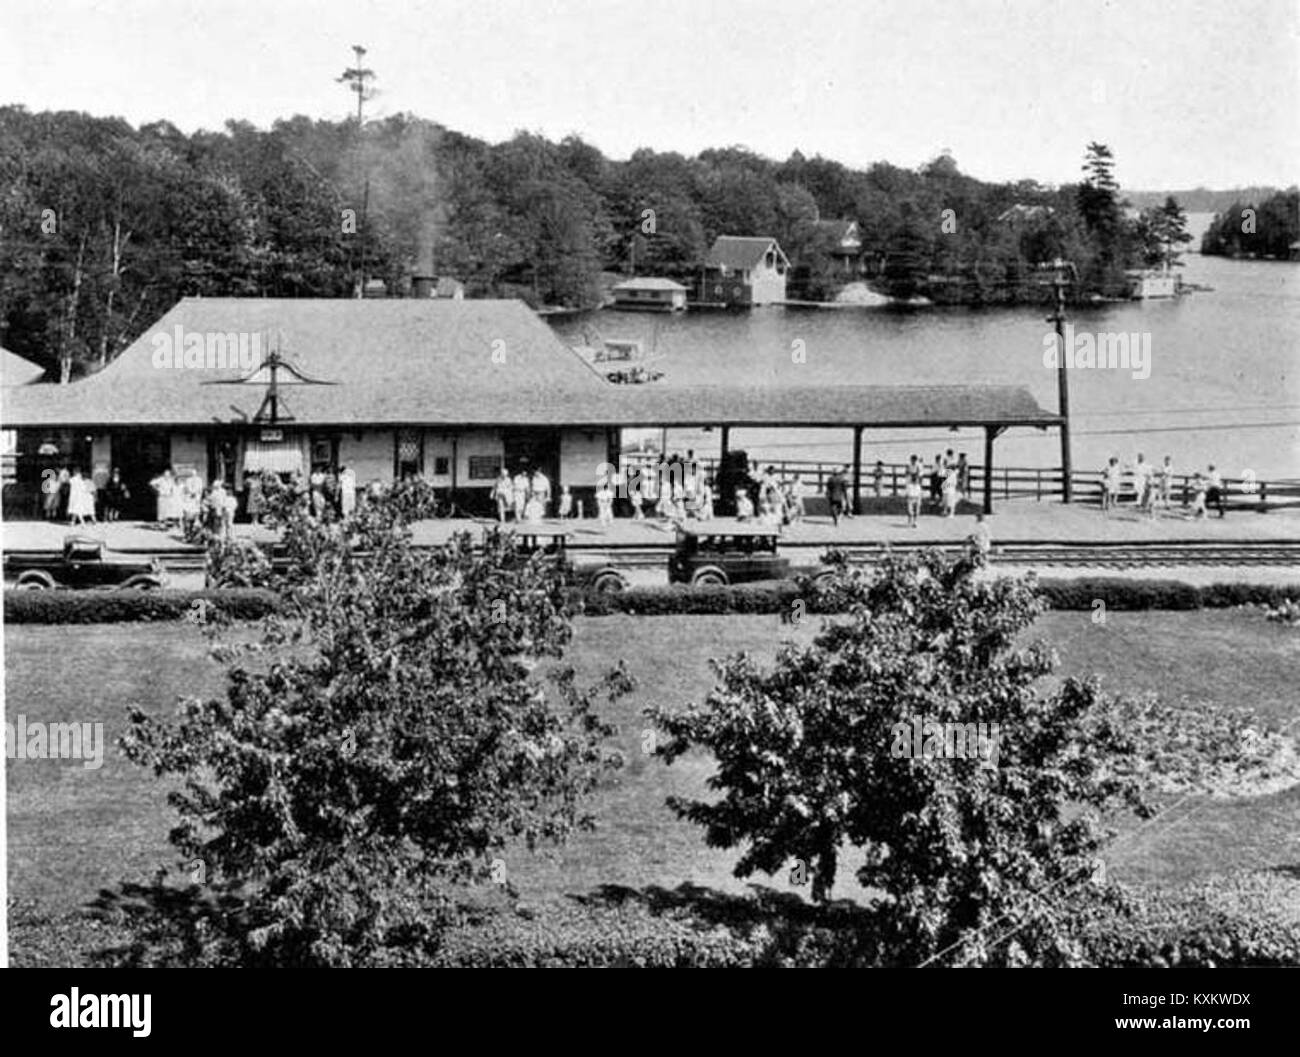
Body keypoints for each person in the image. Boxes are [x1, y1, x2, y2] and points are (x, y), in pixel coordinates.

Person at [904, 454, 923, 528]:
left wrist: (916, 477)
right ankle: (910, 519)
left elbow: (920, 476)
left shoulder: (918, 467)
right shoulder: (908, 466)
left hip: (916, 487)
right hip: (910, 486)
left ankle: (915, 521)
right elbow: (906, 475)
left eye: (915, 460)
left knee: (917, 506)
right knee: (909, 506)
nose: (913, 461)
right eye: (912, 459)